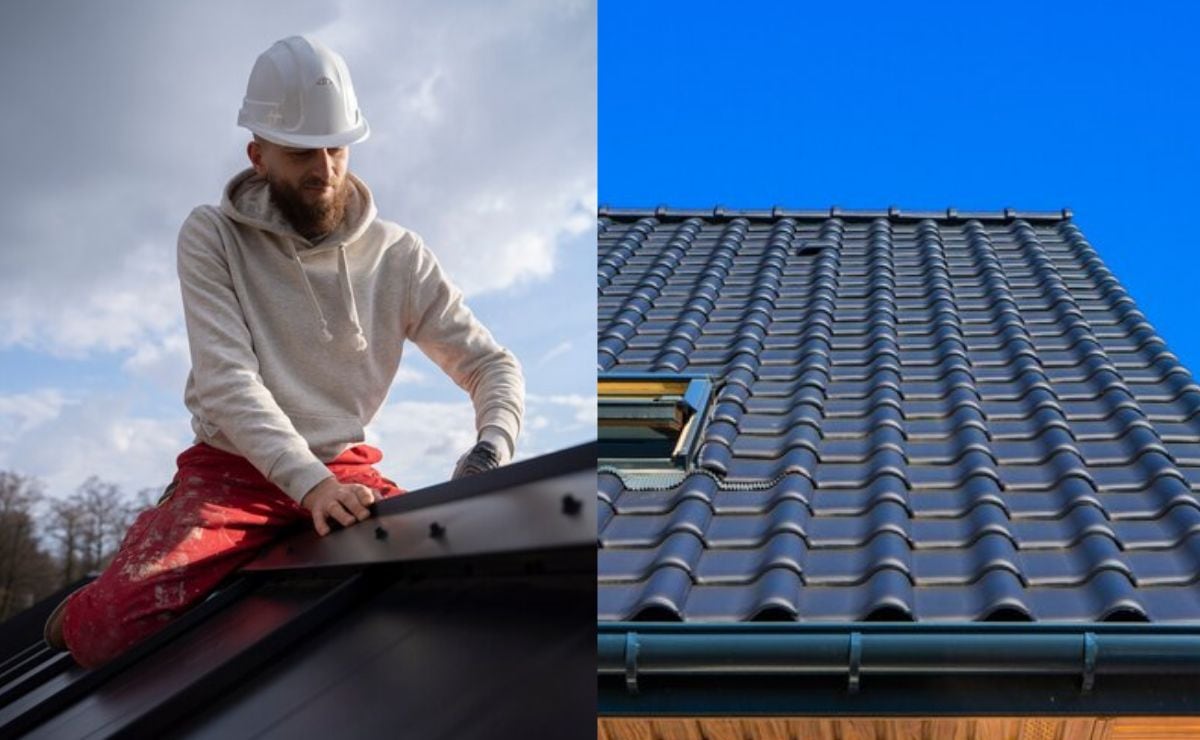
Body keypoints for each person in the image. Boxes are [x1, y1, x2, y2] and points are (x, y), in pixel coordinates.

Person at [43, 35, 524, 668]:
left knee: (456, 583)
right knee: (109, 632)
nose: (323, 169)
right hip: (232, 473)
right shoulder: (211, 236)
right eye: (300, 151)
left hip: (343, 473)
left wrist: (492, 448)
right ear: (259, 154)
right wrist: (309, 486)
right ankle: (85, 605)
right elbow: (228, 383)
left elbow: (491, 364)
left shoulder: (399, 255)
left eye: (334, 146)